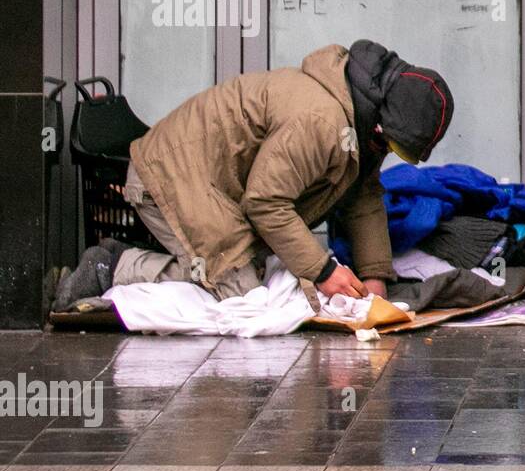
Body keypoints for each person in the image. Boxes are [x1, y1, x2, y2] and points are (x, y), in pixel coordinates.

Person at [53, 40, 453, 309]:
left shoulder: (365, 124)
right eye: (396, 146)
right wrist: (326, 272)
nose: (391, 153)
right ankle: (115, 266)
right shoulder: (323, 121)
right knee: (244, 298)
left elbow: (363, 196)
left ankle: (149, 263)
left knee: (268, 282)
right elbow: (265, 203)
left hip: (215, 187)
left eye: (402, 152)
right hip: (172, 176)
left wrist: (375, 282)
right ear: (382, 119)